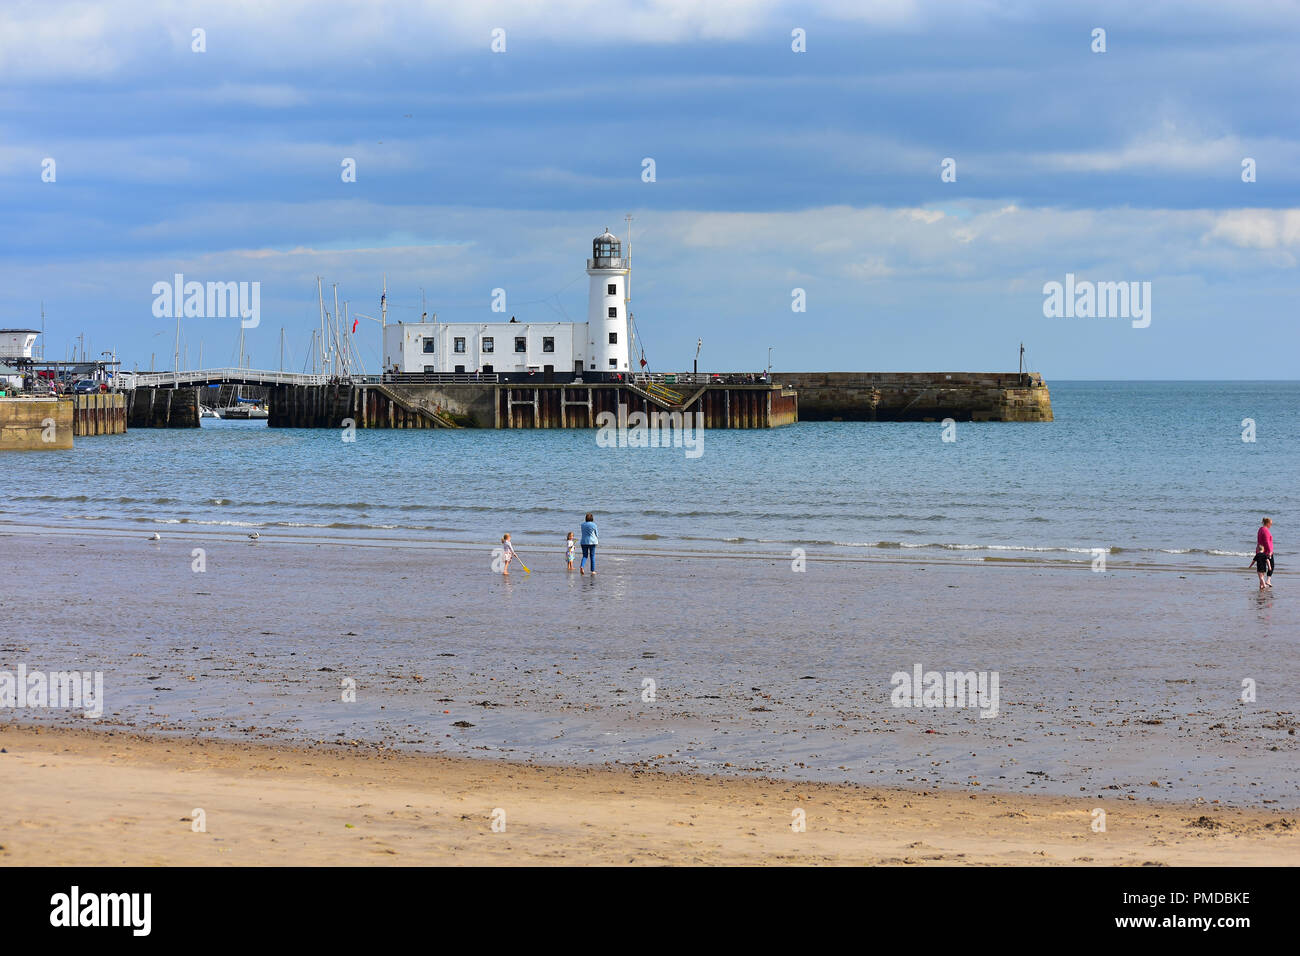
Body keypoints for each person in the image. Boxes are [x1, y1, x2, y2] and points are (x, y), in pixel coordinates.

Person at [1255, 517, 1274, 590]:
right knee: (1271, 566)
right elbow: (1267, 542)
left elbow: (1259, 540)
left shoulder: (1260, 529)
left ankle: (1261, 585)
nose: (1271, 525)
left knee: (1261, 569)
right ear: (1268, 523)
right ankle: (1268, 580)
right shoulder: (1265, 530)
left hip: (1260, 551)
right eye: (1271, 524)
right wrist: (1270, 551)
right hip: (1266, 552)